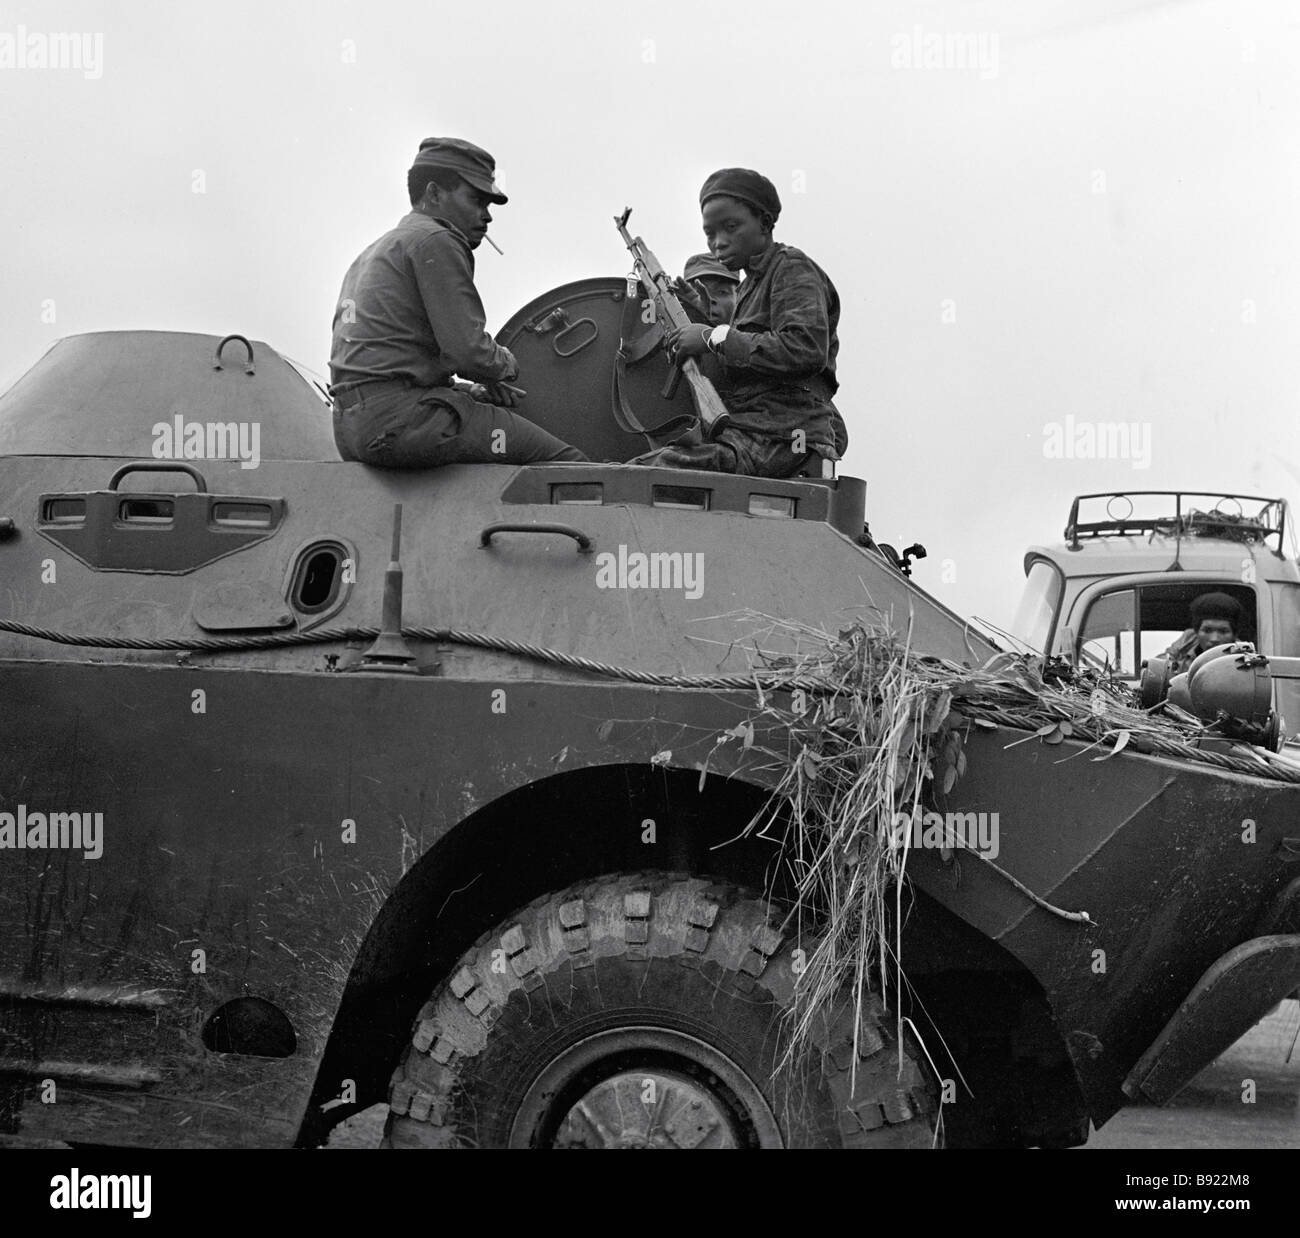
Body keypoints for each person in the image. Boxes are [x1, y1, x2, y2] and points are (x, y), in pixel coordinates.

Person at [329, 137, 586, 467]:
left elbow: (390, 361)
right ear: (434, 194)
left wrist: (468, 392)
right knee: (570, 464)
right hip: (401, 422)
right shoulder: (437, 239)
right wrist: (508, 365)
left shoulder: (376, 251)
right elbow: (468, 352)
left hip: (353, 427)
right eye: (477, 201)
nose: (486, 216)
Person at [631, 168, 847, 477]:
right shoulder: (749, 286)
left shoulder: (791, 268)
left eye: (731, 227)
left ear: (764, 223)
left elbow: (805, 349)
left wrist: (711, 338)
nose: (718, 242)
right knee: (642, 461)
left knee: (650, 471)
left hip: (784, 435)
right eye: (710, 233)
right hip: (751, 430)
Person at [1161, 592, 1243, 674]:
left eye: (1223, 631)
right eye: (1207, 631)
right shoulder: (1186, 644)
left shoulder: (1244, 660)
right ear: (1197, 632)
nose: (1214, 639)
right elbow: (1160, 665)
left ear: (1234, 635)